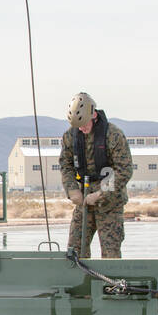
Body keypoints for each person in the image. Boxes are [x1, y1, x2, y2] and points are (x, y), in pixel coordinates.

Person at [58, 92, 132, 259]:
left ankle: (109, 284)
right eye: (79, 127)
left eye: (85, 125)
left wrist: (101, 193)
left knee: (110, 252)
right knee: (74, 250)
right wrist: (72, 190)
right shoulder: (71, 136)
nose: (82, 130)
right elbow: (66, 165)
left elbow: (124, 169)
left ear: (94, 115)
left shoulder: (113, 135)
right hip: (84, 200)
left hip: (110, 203)